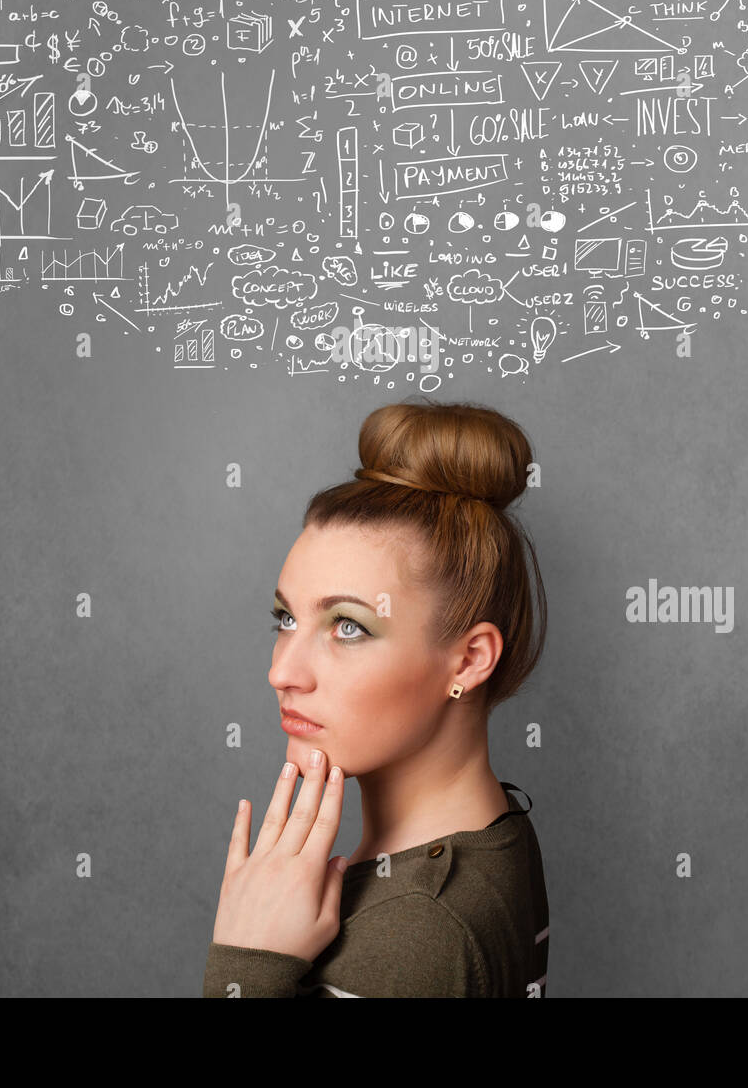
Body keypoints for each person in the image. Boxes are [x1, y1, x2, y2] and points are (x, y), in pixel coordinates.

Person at [203, 397, 550, 997]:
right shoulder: (495, 832)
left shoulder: (416, 934)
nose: (282, 671)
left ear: (469, 660)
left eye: (348, 627)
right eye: (285, 618)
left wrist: (247, 966)